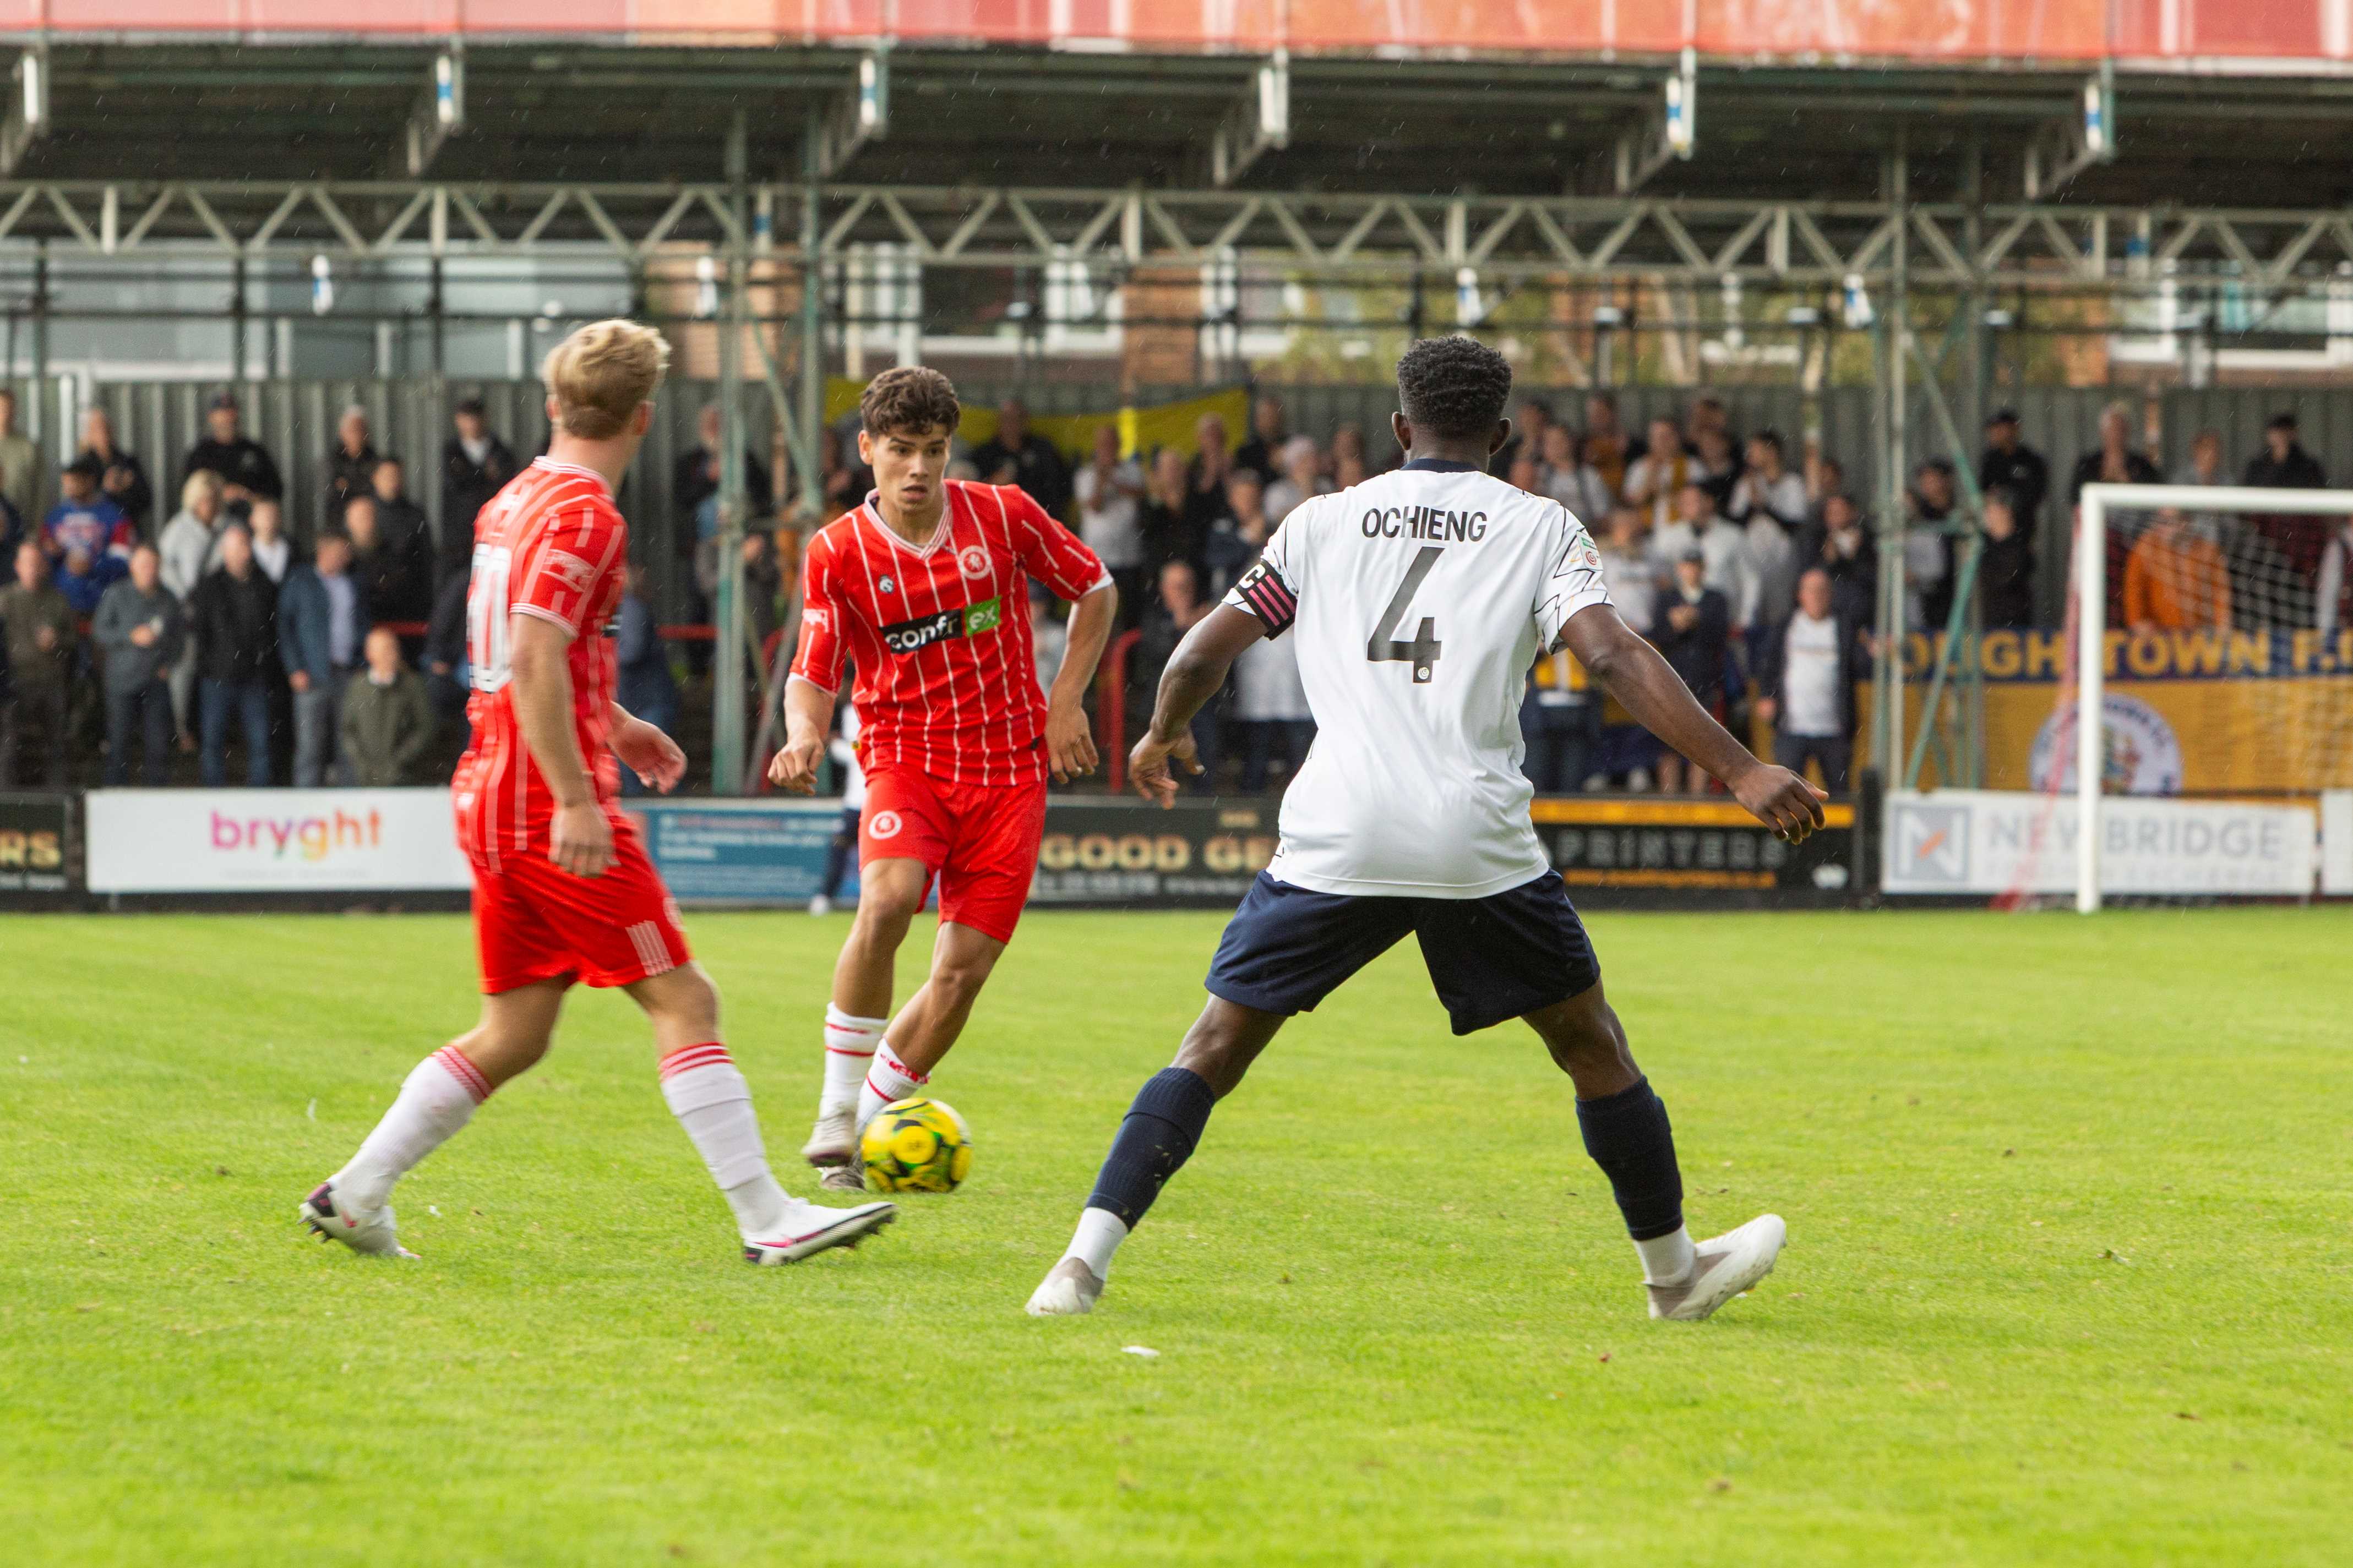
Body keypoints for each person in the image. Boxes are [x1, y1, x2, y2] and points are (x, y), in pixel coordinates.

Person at [1026, 336, 1821, 1321]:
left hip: (1339, 828)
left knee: (1213, 1044)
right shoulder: (1540, 525)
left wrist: (1160, 731)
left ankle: (1078, 1267)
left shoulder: (1319, 521)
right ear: (1501, 434)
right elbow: (1613, 656)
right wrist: (1740, 767)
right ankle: (1671, 1274)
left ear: (1400, 428)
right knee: (1590, 1044)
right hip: (1468, 838)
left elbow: (1198, 653)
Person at [303, 317, 892, 1266]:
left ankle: (357, 1191)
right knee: (684, 998)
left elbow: (524, 652)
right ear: (645, 417)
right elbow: (534, 654)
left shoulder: (512, 498)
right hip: (545, 802)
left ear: (552, 404)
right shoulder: (587, 515)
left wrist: (613, 722)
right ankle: (767, 1216)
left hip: (490, 787)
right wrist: (578, 795)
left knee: (515, 1030)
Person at [769, 364, 1118, 1192]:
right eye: (900, 449)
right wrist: (803, 735)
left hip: (1008, 771)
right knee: (888, 899)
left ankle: (863, 1133)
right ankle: (835, 1107)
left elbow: (1096, 588)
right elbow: (812, 669)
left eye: (933, 449)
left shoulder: (1004, 514)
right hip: (906, 758)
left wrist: (1066, 699)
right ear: (867, 450)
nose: (918, 467)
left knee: (960, 975)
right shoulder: (837, 551)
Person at [1753, 567, 1865, 791]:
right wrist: (1767, 695)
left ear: (1830, 594)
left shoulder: (1843, 627)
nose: (1816, 597)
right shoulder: (1787, 626)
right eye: (1811, 591)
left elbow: (1858, 664)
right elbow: (1769, 664)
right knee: (1788, 793)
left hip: (1834, 730)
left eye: (1822, 590)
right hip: (1792, 728)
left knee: (1839, 795)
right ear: (1800, 595)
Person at [189, 523, 279, 788]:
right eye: (238, 546)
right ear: (224, 551)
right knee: (213, 743)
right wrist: (210, 666)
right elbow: (201, 632)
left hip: (255, 678)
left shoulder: (264, 585)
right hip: (217, 678)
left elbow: (272, 628)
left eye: (246, 545)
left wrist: (264, 661)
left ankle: (260, 799)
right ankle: (213, 799)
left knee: (261, 743)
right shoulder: (209, 587)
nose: (244, 552)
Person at [279, 530, 369, 788]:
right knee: (310, 745)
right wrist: (295, 667)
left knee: (349, 743)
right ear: (323, 550)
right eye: (340, 552)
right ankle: (307, 802)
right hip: (312, 674)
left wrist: (362, 663)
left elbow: (363, 624)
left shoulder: (354, 582)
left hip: (348, 673)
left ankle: (348, 802)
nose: (345, 558)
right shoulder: (301, 580)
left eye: (347, 553)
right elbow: (285, 626)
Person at [93, 542, 185, 787]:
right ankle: (116, 794)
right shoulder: (116, 594)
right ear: (133, 566)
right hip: (121, 683)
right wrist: (129, 636)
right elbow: (100, 631)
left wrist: (169, 664)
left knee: (158, 747)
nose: (149, 570)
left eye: (153, 565)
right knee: (119, 744)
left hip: (155, 682)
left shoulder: (168, 599)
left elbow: (180, 640)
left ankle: (155, 797)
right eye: (144, 564)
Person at [1130, 559, 1221, 788]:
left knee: (1204, 754)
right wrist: (1180, 626)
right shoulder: (1154, 617)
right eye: (1176, 587)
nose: (1183, 593)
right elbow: (1156, 654)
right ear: (1164, 589)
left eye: (1187, 586)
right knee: (1161, 757)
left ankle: (1203, 795)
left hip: (1201, 701)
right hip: (1161, 702)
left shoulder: (1208, 616)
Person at [1648, 550, 1733, 795]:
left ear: (1703, 569)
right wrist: (1675, 626)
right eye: (1687, 565)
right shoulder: (1667, 598)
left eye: (1696, 566)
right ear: (1680, 568)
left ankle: (1698, 800)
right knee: (1669, 742)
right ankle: (1669, 798)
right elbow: (1658, 636)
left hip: (1704, 678)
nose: (1691, 571)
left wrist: (1696, 621)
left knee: (1702, 743)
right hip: (1672, 678)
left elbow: (1720, 635)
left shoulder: (1716, 599)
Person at [159, 469, 226, 748]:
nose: (210, 505)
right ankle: (180, 728)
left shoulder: (226, 527)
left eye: (214, 498)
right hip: (187, 610)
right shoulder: (179, 527)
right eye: (205, 499)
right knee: (184, 670)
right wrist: (184, 594)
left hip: (218, 611)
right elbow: (163, 565)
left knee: (213, 669)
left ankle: (212, 729)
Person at [0, 542, 77, 785]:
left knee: (57, 743)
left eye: (37, 563)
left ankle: (57, 796)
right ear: (17, 566)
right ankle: (6, 795)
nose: (32, 569)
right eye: (27, 563)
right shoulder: (5, 600)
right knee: (8, 743)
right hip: (15, 682)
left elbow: (73, 641)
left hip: (51, 680)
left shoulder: (57, 600)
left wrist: (57, 641)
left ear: (44, 567)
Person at [341, 626, 437, 786]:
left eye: (393, 649)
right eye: (384, 650)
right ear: (369, 654)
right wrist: (363, 765)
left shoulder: (413, 685)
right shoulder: (358, 687)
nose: (390, 655)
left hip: (406, 778)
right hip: (365, 780)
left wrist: (399, 761)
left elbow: (425, 729)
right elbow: (348, 731)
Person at [439, 396, 516, 592]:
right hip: (459, 540)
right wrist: (484, 476)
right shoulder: (451, 451)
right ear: (458, 420)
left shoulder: (501, 452)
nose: (472, 424)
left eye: (475, 418)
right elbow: (455, 485)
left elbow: (504, 486)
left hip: (494, 534)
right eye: (467, 418)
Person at [614, 563, 678, 797]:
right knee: (655, 768)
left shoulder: (629, 607)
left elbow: (632, 651)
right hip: (640, 703)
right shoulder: (628, 606)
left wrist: (596, 656)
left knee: (653, 768)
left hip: (646, 703)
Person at [1073, 425, 1147, 625]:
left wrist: (1112, 479)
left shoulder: (1133, 471)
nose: (1107, 447)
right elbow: (1095, 506)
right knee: (1099, 616)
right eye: (1103, 444)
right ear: (1097, 446)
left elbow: (1142, 494)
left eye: (1111, 443)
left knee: (1131, 614)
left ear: (1118, 445)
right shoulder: (1085, 475)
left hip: (1129, 553)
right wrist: (1100, 480)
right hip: (1099, 557)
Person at [2124, 509, 2232, 632]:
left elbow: (2221, 594)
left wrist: (2222, 627)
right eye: (2159, 521)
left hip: (2200, 634)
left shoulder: (2207, 551)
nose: (2161, 527)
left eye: (2167, 522)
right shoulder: (2145, 549)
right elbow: (2134, 589)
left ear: (2184, 523)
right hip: (2158, 635)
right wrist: (2137, 621)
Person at [183, 390, 283, 519]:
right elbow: (187, 493)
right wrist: (220, 494)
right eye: (222, 413)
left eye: (231, 412)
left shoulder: (255, 452)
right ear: (212, 417)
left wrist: (247, 495)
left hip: (250, 522)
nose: (228, 418)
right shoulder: (201, 454)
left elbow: (275, 491)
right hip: (212, 522)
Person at [969, 398, 1073, 520]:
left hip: (1040, 520)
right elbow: (971, 494)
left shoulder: (1043, 449)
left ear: (1026, 421)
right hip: (999, 521)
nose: (1013, 424)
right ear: (1000, 421)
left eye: (1018, 419)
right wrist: (991, 486)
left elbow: (1063, 484)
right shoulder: (984, 454)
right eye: (1008, 419)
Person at [810, 695, 867, 918]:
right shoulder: (852, 710)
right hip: (856, 802)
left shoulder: (874, 715)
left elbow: (861, 746)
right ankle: (826, 896)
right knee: (839, 845)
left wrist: (837, 744)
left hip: (876, 800)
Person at [365, 457, 434, 624]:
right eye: (387, 476)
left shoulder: (414, 515)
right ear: (375, 478)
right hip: (370, 603)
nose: (392, 481)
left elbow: (426, 561)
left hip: (409, 603)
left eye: (396, 476)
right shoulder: (365, 512)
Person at [45, 455, 136, 569]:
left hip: (102, 579)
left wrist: (93, 565)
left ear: (90, 481)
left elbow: (123, 559)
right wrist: (54, 555)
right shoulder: (54, 517)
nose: (69, 486)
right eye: (66, 482)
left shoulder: (115, 516)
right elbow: (39, 559)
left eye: (74, 481)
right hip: (61, 580)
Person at [1978, 408, 2049, 543]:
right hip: (1993, 530)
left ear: (2014, 428)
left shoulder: (2031, 460)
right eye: (1994, 429)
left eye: (2001, 428)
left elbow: (2037, 493)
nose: (1996, 433)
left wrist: (2012, 504)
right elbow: (1984, 490)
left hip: (2022, 529)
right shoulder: (1990, 460)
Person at [1138, 444, 1206, 584]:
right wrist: (1159, 498)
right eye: (1168, 468)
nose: (1173, 473)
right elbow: (1148, 531)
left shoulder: (1197, 500)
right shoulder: (1150, 503)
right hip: (1158, 573)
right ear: (1157, 473)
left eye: (1176, 468)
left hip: (1194, 570)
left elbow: (1199, 532)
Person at [78, 407, 154, 534]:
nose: (103, 433)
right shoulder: (83, 466)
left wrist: (125, 489)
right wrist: (106, 490)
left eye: (106, 428)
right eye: (97, 429)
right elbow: (79, 503)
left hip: (125, 527)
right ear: (89, 434)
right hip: (94, 531)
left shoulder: (128, 462)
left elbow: (145, 500)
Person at [1977, 486, 2036, 630]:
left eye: (1990, 509)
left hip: (2012, 627)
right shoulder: (1982, 544)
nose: (1986, 515)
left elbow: (2004, 579)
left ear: (2005, 511)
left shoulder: (2019, 547)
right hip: (1983, 624)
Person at [1539, 425, 1613, 524]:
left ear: (1570, 442)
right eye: (1549, 443)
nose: (1555, 447)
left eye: (1559, 441)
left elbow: (1602, 513)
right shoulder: (1539, 476)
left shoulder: (1588, 475)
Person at [322, 405, 380, 525]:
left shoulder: (376, 461)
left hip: (370, 521)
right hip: (338, 522)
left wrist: (347, 485)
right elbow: (331, 492)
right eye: (352, 430)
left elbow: (379, 493)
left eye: (361, 430)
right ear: (342, 433)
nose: (357, 435)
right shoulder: (332, 461)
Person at [1263, 435, 1326, 524]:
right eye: (1307, 460)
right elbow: (1283, 523)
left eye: (1315, 458)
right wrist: (1308, 492)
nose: (1313, 464)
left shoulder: (1325, 486)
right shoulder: (1277, 492)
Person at [0, 387, 40, 526]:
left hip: (21, 525)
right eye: (2, 409)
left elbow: (39, 491)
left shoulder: (28, 447)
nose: (6, 414)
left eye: (10, 409)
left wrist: (35, 528)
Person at [1232, 395, 1288, 485]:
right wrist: (1271, 467)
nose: (1271, 421)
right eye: (1266, 416)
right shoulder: (1245, 452)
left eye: (1274, 416)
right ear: (1257, 420)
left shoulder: (1294, 445)